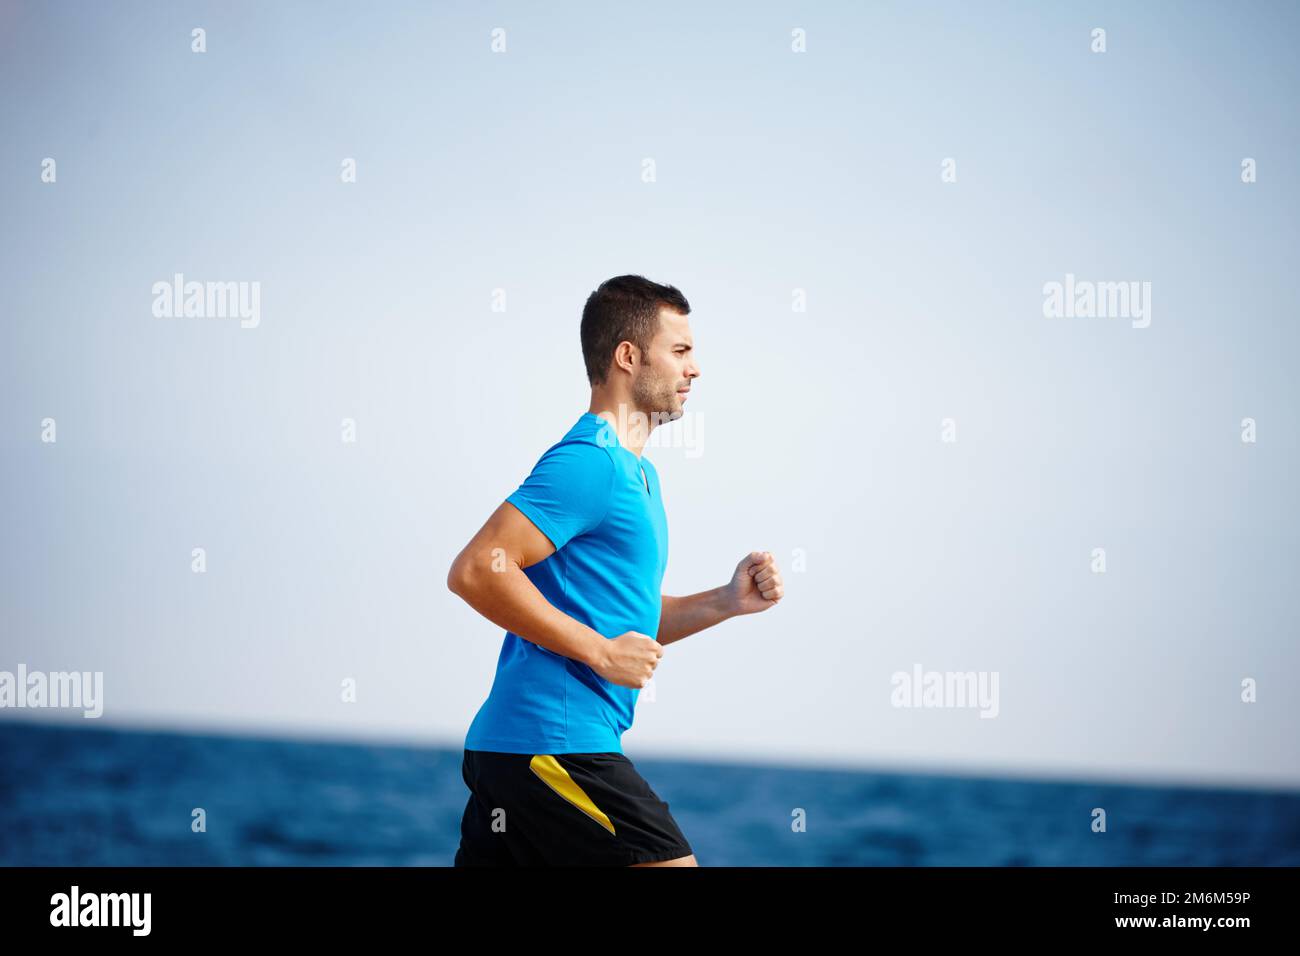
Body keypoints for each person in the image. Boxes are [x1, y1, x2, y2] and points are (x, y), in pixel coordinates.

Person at [448, 274, 784, 866]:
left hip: (522, 750)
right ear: (628, 356)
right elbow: (477, 569)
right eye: (679, 351)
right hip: (552, 745)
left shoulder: (639, 476)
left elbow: (626, 616)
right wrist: (600, 654)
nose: (695, 368)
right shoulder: (592, 464)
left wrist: (725, 601)